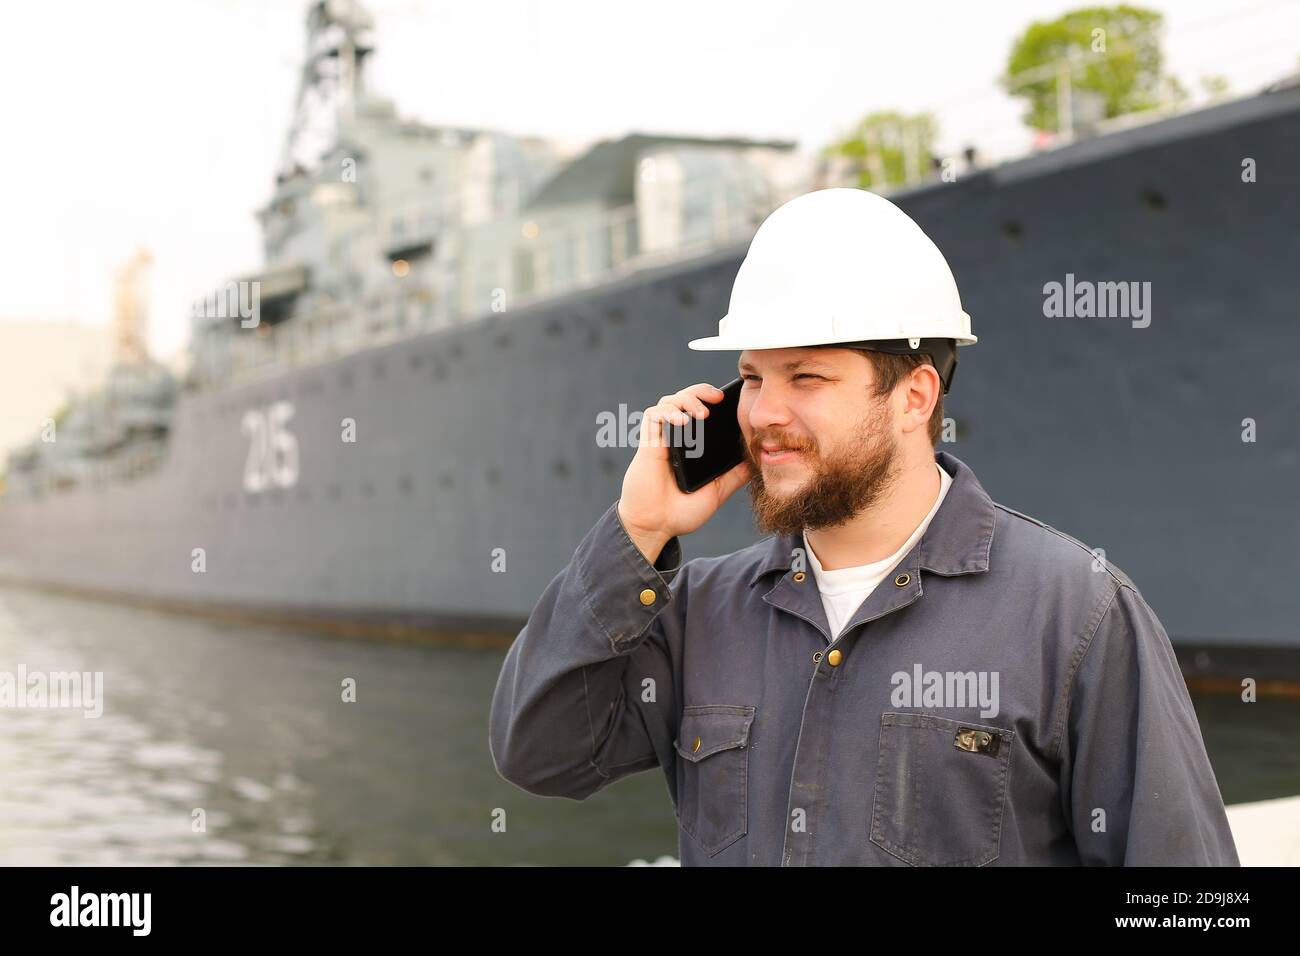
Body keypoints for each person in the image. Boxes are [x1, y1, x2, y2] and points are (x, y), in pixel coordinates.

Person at [488, 187, 1239, 866]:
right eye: (751, 378)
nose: (763, 414)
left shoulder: (1075, 613)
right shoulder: (699, 613)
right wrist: (639, 530)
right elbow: (540, 754)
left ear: (915, 398)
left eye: (805, 377)